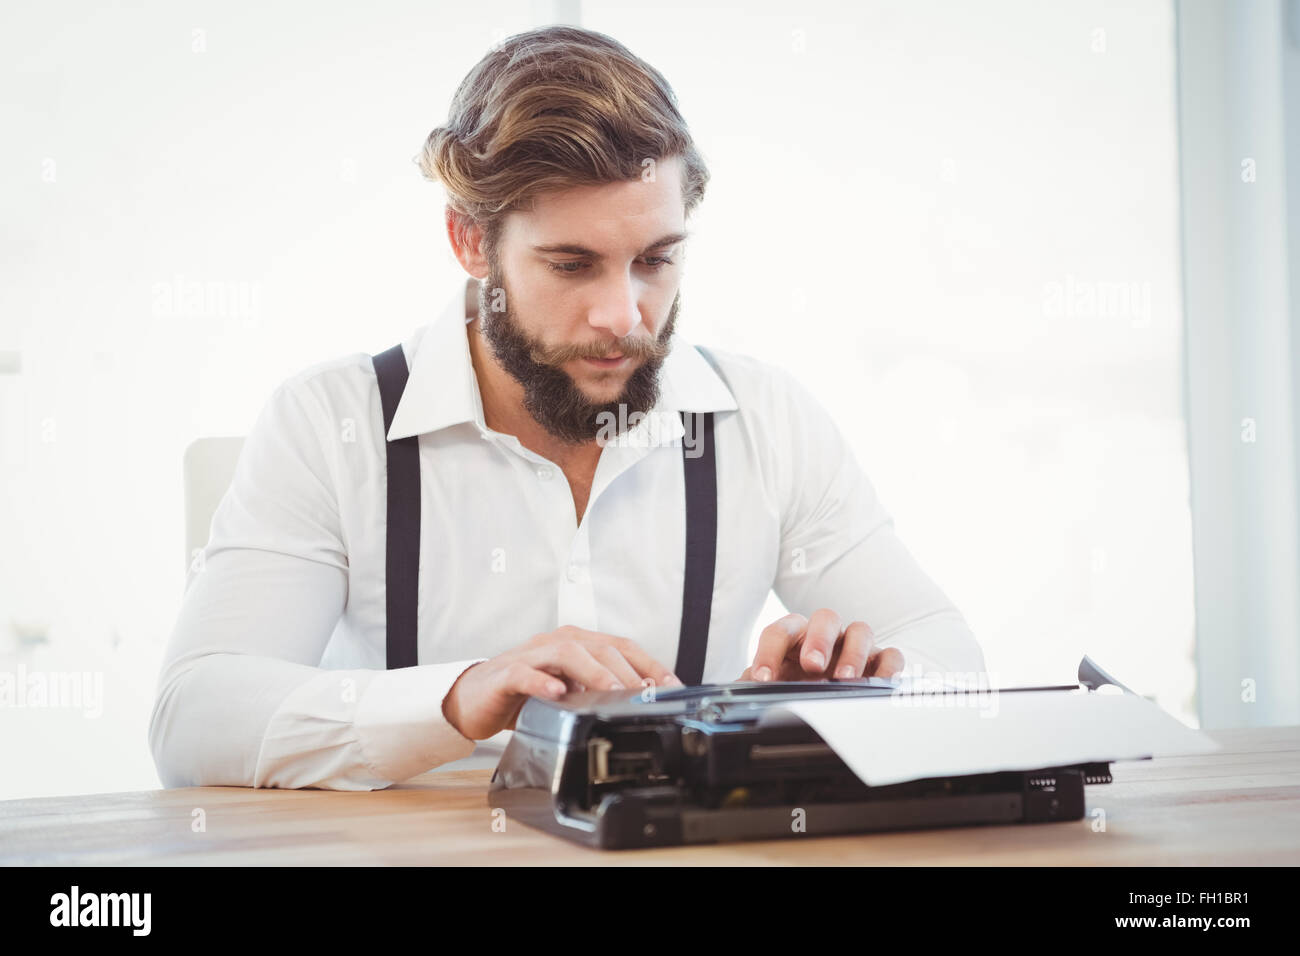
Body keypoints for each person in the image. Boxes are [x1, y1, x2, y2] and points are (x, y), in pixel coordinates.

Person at [149, 25, 985, 790]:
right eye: (572, 264)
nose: (624, 316)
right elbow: (195, 717)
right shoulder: (328, 426)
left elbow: (957, 665)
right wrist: (457, 696)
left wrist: (859, 691)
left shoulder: (764, 420)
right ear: (471, 243)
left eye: (655, 260)